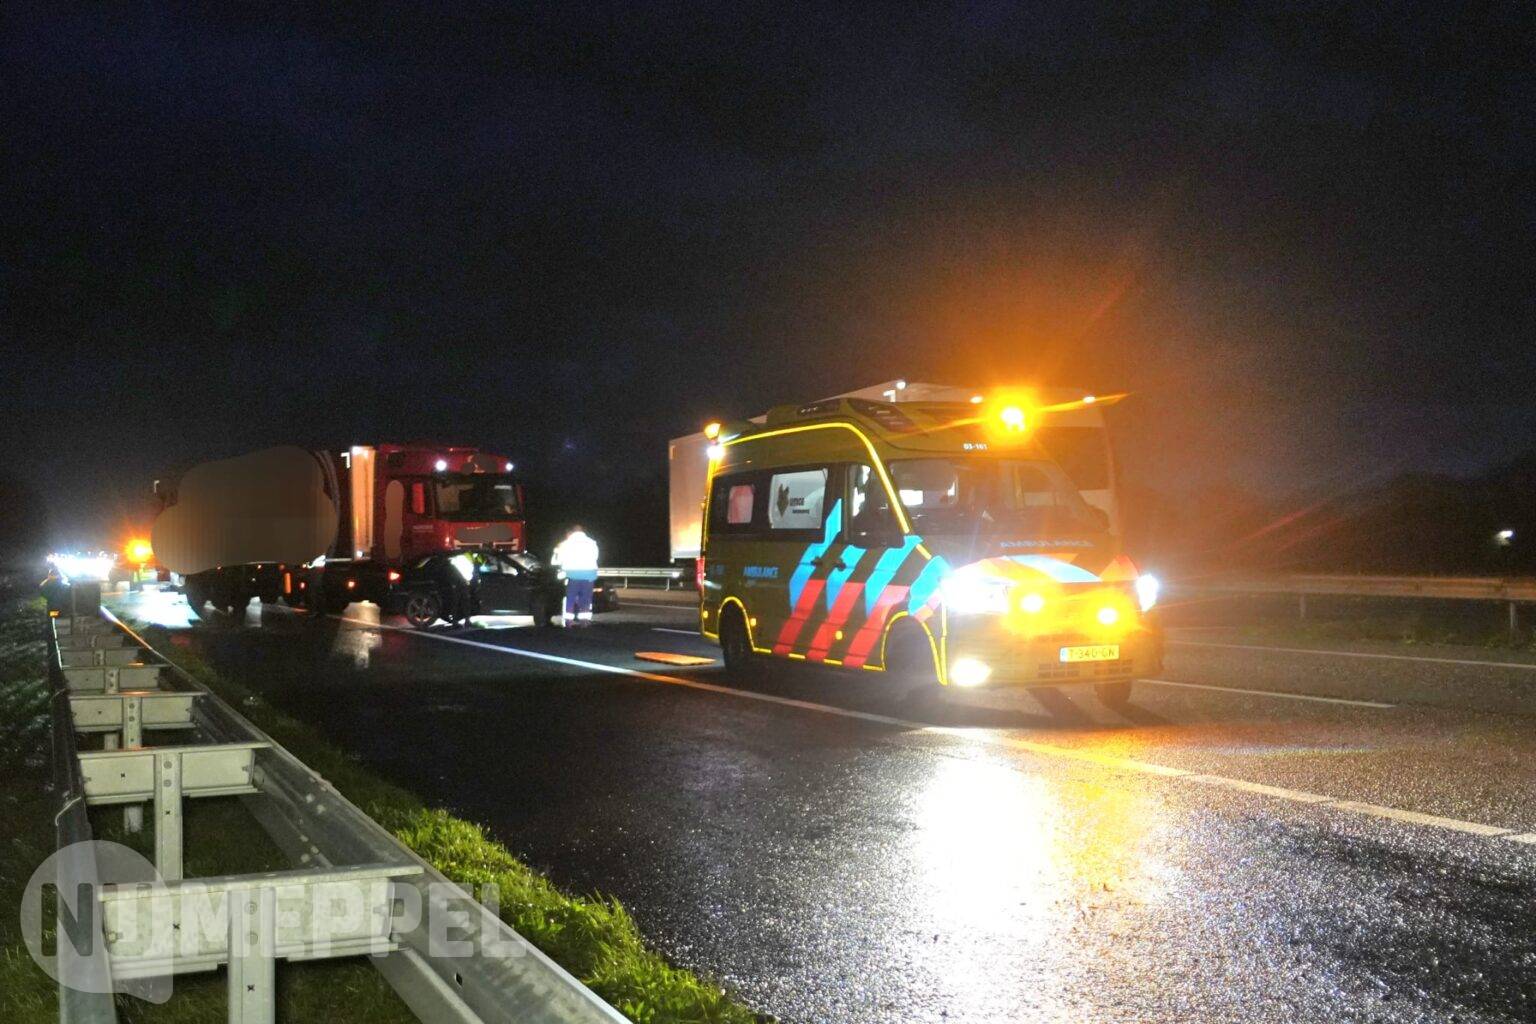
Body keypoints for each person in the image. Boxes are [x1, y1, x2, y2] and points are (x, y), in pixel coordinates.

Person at [551, 524, 600, 626]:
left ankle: (568, 621)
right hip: (588, 574)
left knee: (571, 598)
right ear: (583, 531)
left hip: (572, 574)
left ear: (572, 532)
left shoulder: (566, 543)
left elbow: (559, 559)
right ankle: (584, 621)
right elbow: (596, 556)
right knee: (586, 598)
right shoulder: (591, 542)